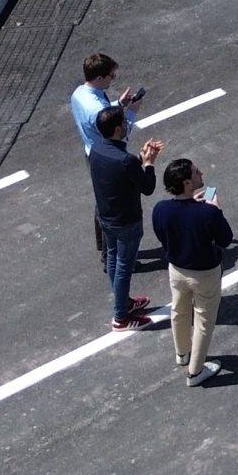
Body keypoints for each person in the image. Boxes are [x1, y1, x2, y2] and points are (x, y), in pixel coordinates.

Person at [151, 157, 233, 385]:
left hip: (176, 269)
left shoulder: (160, 209)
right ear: (187, 183)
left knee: (179, 310)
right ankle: (195, 372)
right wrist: (217, 210)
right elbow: (225, 239)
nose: (201, 174)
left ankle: (182, 353)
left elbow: (162, 235)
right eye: (197, 173)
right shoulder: (207, 213)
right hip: (204, 273)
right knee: (204, 321)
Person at [86, 106, 164, 331]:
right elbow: (147, 187)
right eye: (125, 124)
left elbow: (121, 170)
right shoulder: (126, 160)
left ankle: (124, 302)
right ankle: (121, 317)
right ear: (118, 128)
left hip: (106, 216)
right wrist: (149, 164)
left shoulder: (97, 149)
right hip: (126, 222)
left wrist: (139, 158)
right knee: (123, 267)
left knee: (112, 259)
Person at [70, 52, 143, 158]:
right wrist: (132, 110)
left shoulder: (77, 93)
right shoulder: (98, 110)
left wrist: (119, 103)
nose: (113, 78)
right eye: (111, 75)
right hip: (107, 156)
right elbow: (120, 134)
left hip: (92, 151)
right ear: (99, 78)